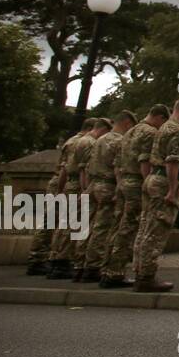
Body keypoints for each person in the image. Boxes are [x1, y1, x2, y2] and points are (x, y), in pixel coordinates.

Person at [132, 96, 179, 293]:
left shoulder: (162, 128)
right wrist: (172, 188)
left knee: (145, 228)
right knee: (156, 230)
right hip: (162, 181)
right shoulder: (177, 130)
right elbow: (173, 160)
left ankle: (139, 272)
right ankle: (147, 278)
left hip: (152, 178)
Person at [105, 104, 169, 288]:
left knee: (117, 226)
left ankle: (107, 269)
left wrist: (119, 185)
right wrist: (147, 185)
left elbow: (117, 164)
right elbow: (144, 163)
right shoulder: (149, 133)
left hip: (123, 181)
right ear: (160, 117)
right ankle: (115, 272)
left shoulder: (130, 132)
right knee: (130, 228)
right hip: (135, 183)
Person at [26, 123, 93, 276]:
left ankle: (45, 257)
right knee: (56, 222)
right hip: (64, 183)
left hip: (60, 183)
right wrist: (60, 191)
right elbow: (66, 168)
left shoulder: (72, 141)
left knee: (54, 222)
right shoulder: (79, 142)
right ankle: (41, 259)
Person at [77, 111, 135, 282]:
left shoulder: (99, 139)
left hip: (93, 184)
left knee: (87, 225)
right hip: (108, 185)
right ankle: (93, 266)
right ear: (126, 123)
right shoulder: (120, 141)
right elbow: (118, 167)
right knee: (103, 227)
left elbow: (87, 166)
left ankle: (80, 263)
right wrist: (120, 189)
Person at [48, 118, 108, 280]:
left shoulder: (74, 141)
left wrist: (60, 189)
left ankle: (56, 259)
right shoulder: (89, 143)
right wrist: (86, 190)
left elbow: (64, 169)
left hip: (69, 184)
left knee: (66, 223)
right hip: (78, 186)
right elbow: (85, 170)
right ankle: (65, 261)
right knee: (76, 225)